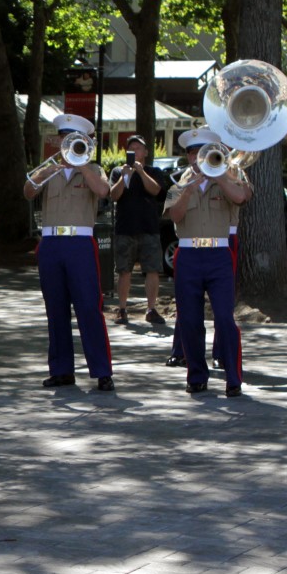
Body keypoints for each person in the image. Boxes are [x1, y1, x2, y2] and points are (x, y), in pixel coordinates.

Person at [23, 113, 113, 390]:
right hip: (51, 243)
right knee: (56, 309)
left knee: (88, 307)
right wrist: (49, 170)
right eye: (64, 138)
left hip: (80, 243)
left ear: (85, 141)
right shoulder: (48, 168)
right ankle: (62, 370)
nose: (67, 143)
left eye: (74, 139)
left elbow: (103, 191)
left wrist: (82, 166)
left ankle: (102, 371)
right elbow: (27, 191)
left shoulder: (93, 169)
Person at [162, 150, 250, 397]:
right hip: (188, 254)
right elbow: (174, 216)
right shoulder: (180, 182)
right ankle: (197, 376)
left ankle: (233, 378)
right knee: (189, 320)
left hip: (218, 254)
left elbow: (242, 197)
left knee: (224, 317)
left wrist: (219, 176)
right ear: (189, 157)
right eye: (193, 153)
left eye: (203, 152)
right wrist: (189, 189)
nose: (197, 159)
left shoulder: (230, 176)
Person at [109, 135, 169, 326]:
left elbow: (156, 191)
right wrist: (125, 176)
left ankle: (151, 309)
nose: (135, 151)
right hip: (125, 228)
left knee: (152, 270)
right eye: (131, 149)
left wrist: (141, 173)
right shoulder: (118, 171)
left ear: (145, 152)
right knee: (124, 270)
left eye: (138, 148)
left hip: (149, 228)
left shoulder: (154, 171)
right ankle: (122, 309)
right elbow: (114, 196)